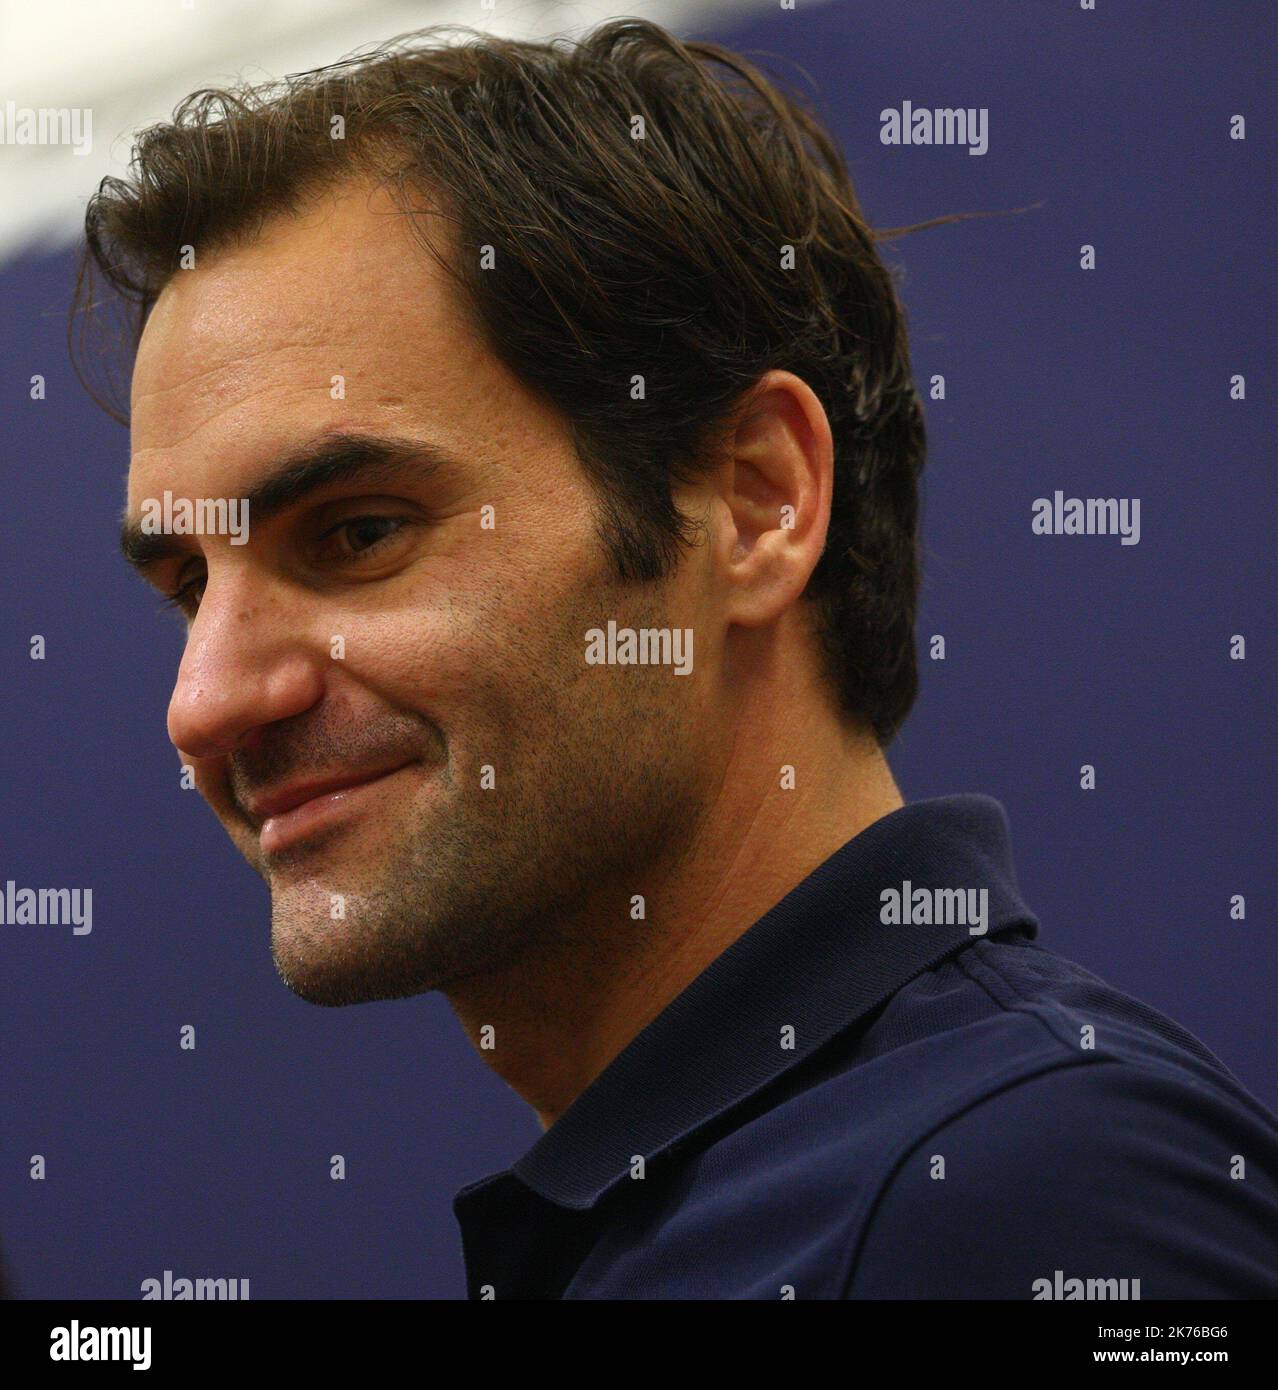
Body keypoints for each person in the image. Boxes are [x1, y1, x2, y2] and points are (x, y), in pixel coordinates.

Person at [80, 20, 1278, 1298]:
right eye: (191, 586)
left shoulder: (1039, 1193)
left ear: (757, 504)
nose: (207, 703)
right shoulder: (734, 1212)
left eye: (361, 532)